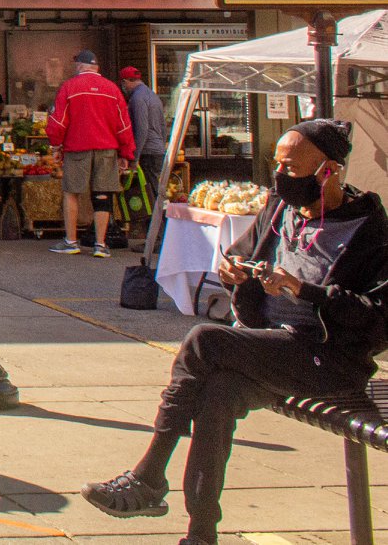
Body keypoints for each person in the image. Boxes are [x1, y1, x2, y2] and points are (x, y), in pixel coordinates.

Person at [82, 119, 388, 545]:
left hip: (328, 359)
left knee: (204, 340)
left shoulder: (369, 230)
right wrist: (232, 269)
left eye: (291, 169)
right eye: (276, 166)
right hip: (269, 344)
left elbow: (378, 319)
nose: (280, 177)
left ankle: (149, 474)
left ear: (328, 171)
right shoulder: (280, 209)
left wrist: (308, 291)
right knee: (218, 392)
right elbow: (240, 254)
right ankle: (201, 533)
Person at [47, 50, 136, 258]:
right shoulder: (113, 89)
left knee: (72, 192)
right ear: (97, 68)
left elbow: (58, 121)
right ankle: (100, 244)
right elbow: (124, 125)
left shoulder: (69, 87)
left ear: (80, 66)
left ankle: (71, 241)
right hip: (107, 150)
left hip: (77, 147)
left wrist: (56, 146)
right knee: (103, 194)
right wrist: (126, 153)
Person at [120, 67, 168, 204]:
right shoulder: (153, 95)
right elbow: (163, 126)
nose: (124, 88)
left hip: (147, 152)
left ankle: (155, 223)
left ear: (125, 82)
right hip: (157, 149)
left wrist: (135, 157)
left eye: (123, 84)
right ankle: (160, 221)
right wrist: (161, 145)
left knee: (149, 193)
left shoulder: (137, 98)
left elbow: (141, 129)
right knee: (157, 189)